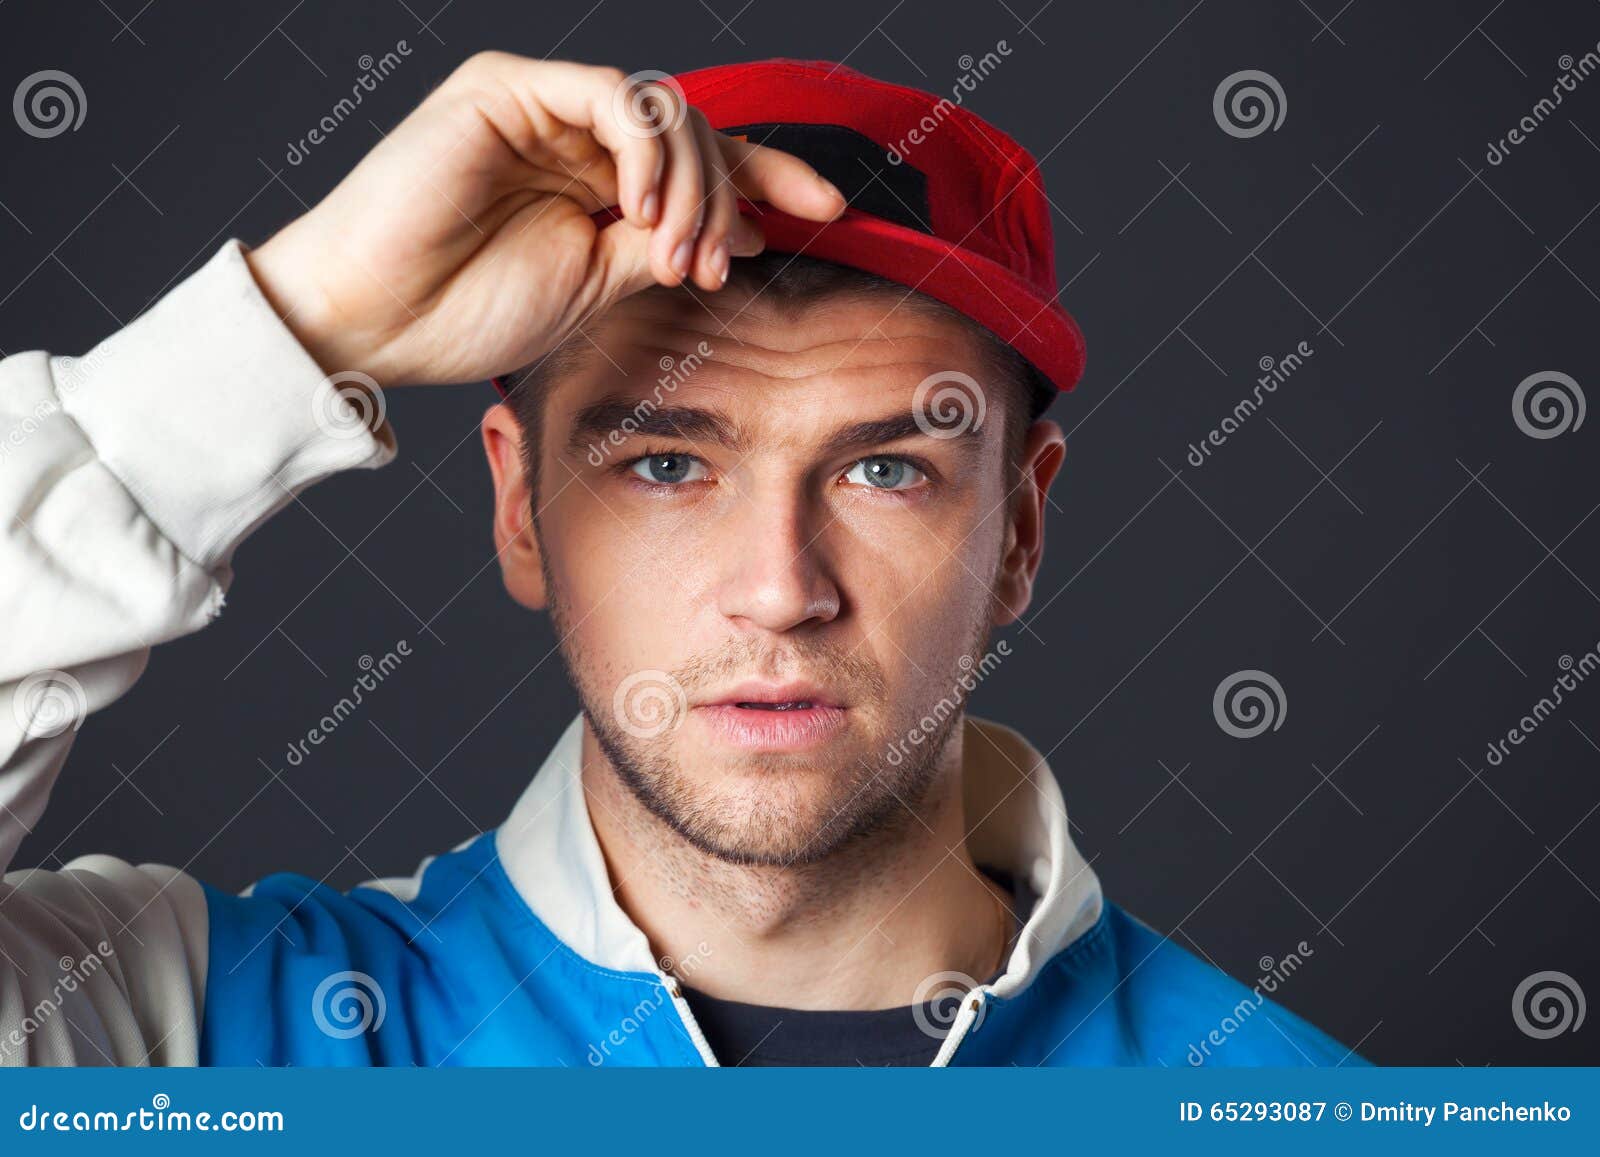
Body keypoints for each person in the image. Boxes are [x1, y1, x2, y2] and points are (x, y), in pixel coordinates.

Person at [0, 54, 1362, 1067]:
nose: (779, 587)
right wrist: (300, 320)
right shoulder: (180, 1033)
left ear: (1018, 529)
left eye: (887, 469)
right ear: (520, 508)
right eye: (666, 463)